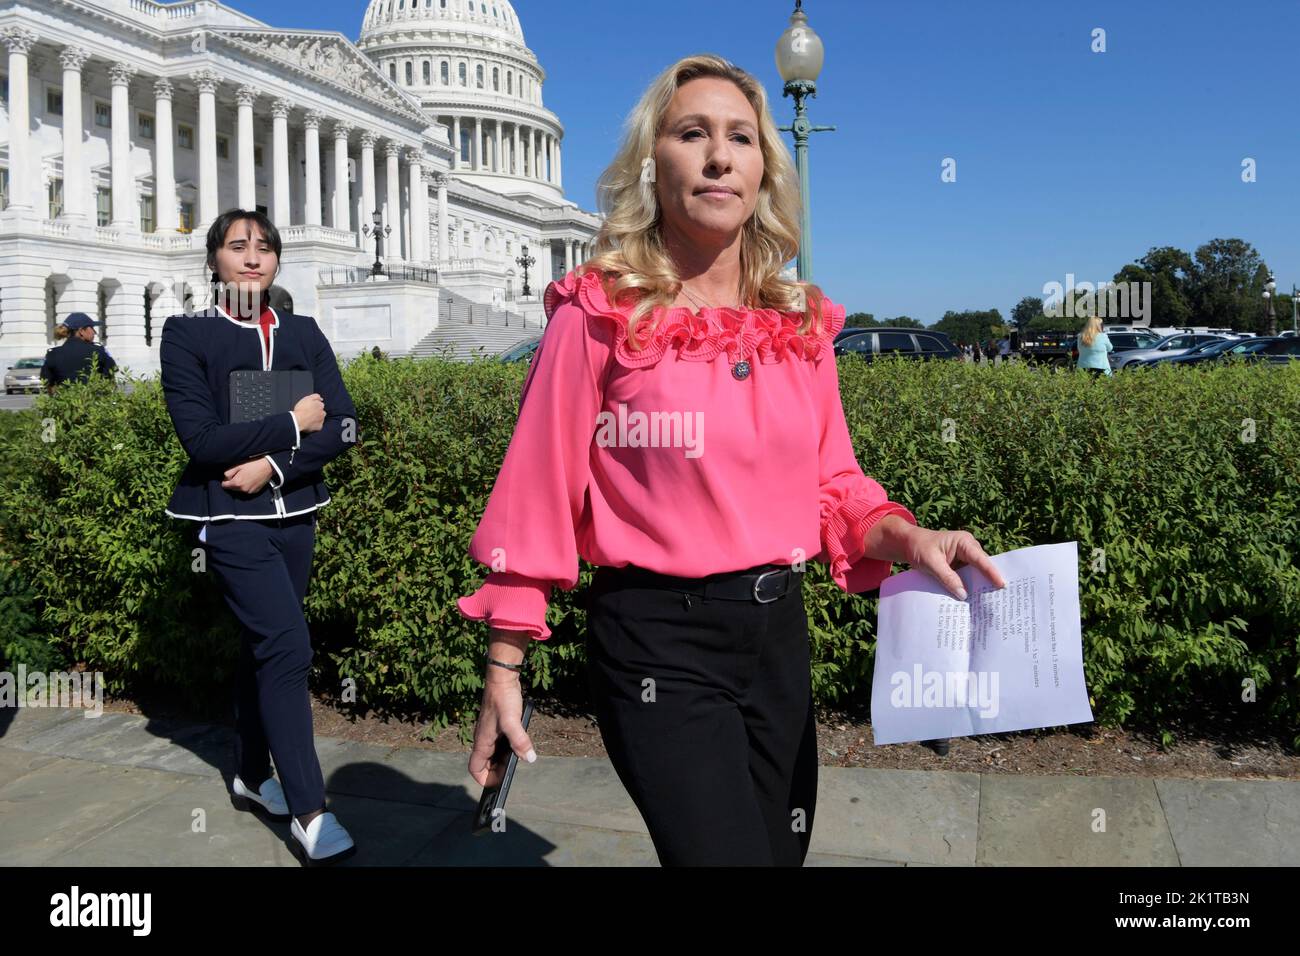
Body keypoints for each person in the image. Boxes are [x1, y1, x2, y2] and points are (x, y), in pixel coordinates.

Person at [456, 53, 1007, 866]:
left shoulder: (800, 323)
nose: (719, 155)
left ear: (762, 169)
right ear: (654, 163)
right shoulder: (598, 311)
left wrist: (909, 538)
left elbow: (835, 484)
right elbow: (537, 489)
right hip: (655, 646)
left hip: (777, 638)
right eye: (693, 133)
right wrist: (504, 667)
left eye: (741, 138)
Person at [158, 208, 359, 865]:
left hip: (294, 511)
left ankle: (248, 774)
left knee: (261, 645)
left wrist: (275, 459)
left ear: (277, 261)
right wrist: (291, 418)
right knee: (287, 644)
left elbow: (344, 426)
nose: (252, 257)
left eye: (265, 247)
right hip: (226, 518)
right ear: (214, 258)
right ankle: (309, 809)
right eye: (237, 246)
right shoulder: (188, 334)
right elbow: (204, 441)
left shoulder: (302, 331)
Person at [39, 312, 116, 392]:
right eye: (92, 328)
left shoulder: (53, 354)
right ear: (81, 331)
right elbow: (110, 377)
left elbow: (48, 383)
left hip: (64, 403)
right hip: (95, 402)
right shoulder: (98, 350)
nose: (95, 332)